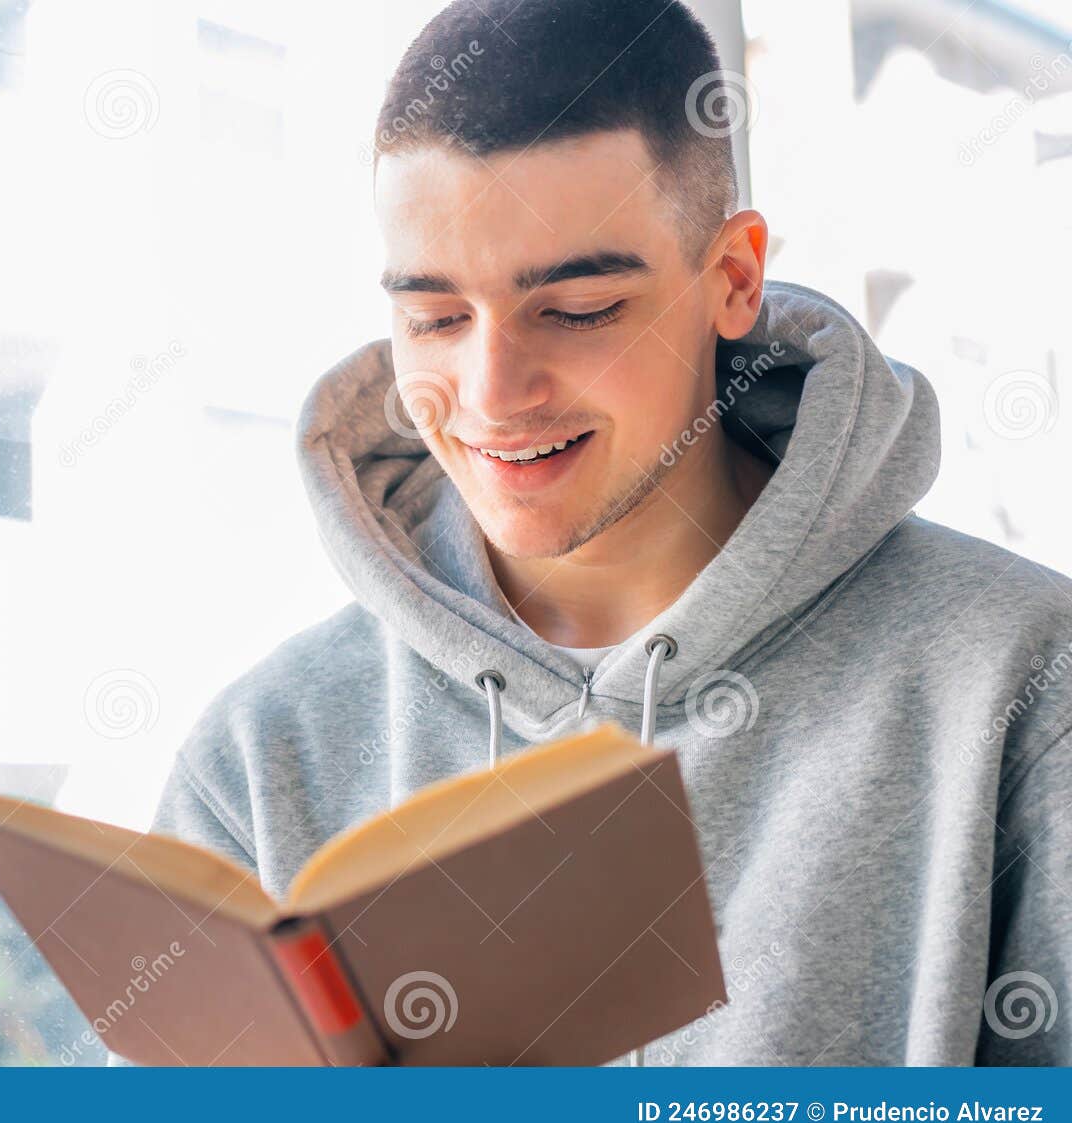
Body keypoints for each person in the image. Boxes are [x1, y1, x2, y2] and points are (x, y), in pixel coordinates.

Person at [135, 0, 1071, 1065]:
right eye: (434, 318)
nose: (491, 395)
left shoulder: (1025, 683)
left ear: (732, 280)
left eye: (575, 310)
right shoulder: (261, 755)